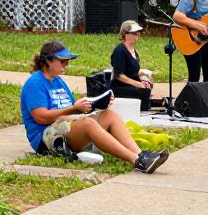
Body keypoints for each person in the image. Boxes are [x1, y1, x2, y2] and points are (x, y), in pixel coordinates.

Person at [20, 39, 168, 173]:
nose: (67, 64)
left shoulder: (58, 81)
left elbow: (71, 109)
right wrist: (74, 109)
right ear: (48, 61)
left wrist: (95, 104)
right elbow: (40, 117)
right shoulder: (35, 83)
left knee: (109, 115)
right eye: (63, 61)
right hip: (46, 138)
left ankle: (140, 153)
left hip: (66, 126)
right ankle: (137, 161)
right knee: (88, 123)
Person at [110, 20, 154, 111]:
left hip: (130, 84)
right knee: (143, 91)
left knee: (147, 86)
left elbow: (132, 71)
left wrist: (146, 74)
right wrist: (137, 83)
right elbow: (118, 75)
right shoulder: (120, 51)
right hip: (120, 87)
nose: (137, 34)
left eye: (138, 32)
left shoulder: (133, 49)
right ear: (125, 34)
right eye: (134, 32)